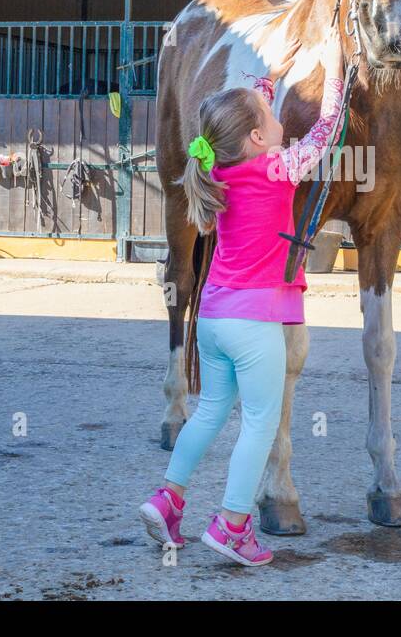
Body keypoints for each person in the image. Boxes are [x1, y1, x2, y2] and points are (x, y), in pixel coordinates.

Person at [140, 46, 346, 567]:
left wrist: (268, 85)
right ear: (258, 138)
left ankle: (168, 500)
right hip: (257, 322)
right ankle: (232, 524)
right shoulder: (279, 168)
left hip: (213, 317)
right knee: (260, 420)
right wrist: (338, 71)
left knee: (209, 412)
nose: (280, 124)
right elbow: (327, 128)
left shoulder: (219, 176)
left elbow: (261, 126)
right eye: (273, 118)